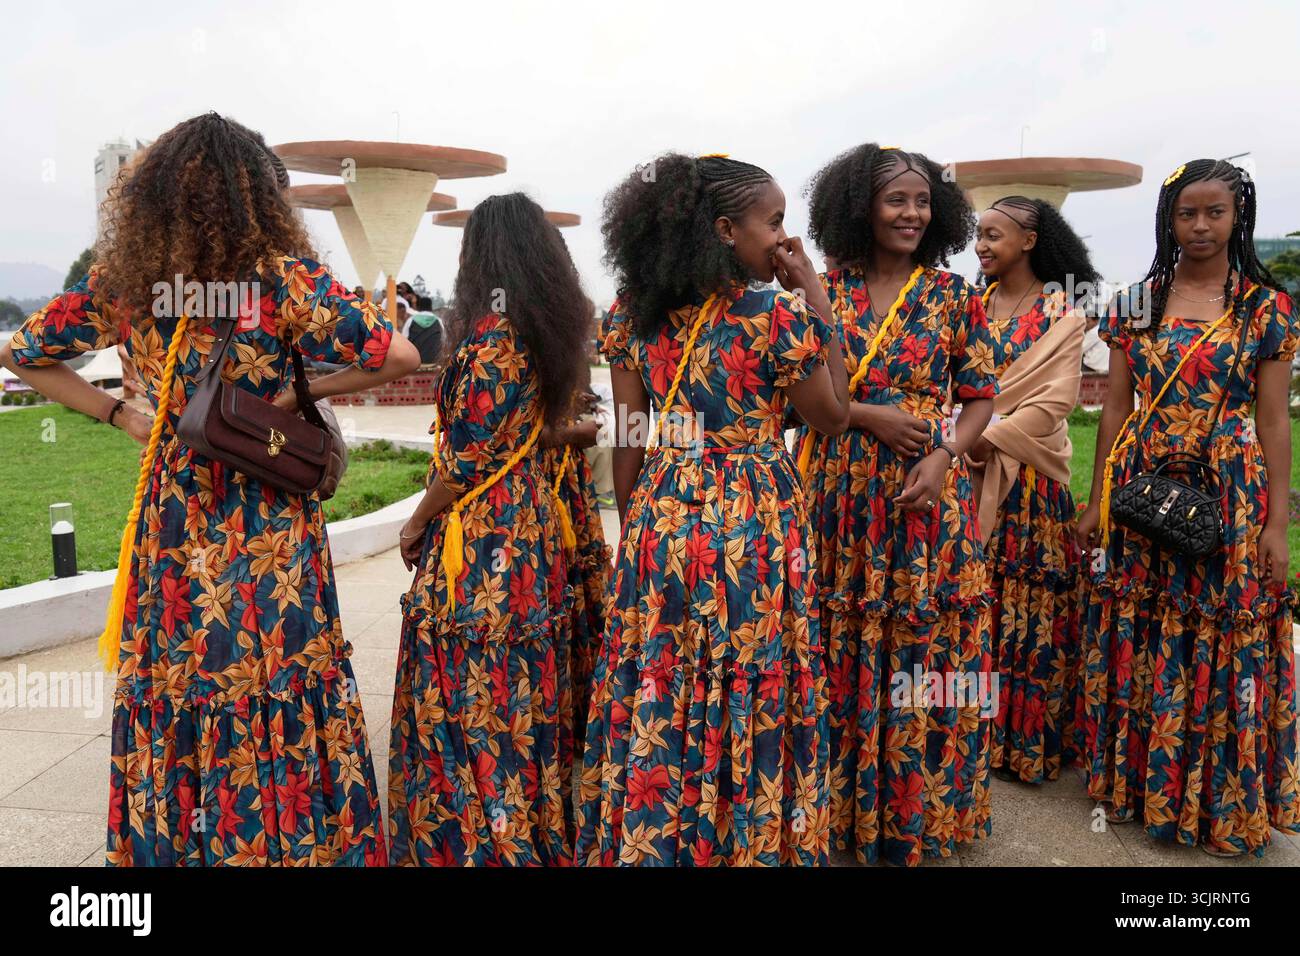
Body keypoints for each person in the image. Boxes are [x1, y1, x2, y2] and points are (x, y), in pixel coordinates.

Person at [0, 112, 421, 866]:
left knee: (181, 682)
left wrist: (121, 413)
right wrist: (292, 398)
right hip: (267, 512)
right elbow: (398, 353)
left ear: (159, 196)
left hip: (172, 517)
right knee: (277, 676)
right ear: (259, 196)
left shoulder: (126, 286)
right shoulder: (282, 281)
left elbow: (22, 354)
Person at [575, 153, 850, 866]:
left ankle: (659, 839)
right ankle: (745, 841)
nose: (784, 240)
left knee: (664, 672)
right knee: (752, 675)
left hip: (664, 513)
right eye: (776, 222)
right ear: (726, 229)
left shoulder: (634, 315)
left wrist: (636, 530)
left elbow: (630, 436)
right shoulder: (778, 314)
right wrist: (813, 289)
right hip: (755, 521)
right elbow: (831, 417)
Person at [1075, 159, 1300, 856]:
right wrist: (1098, 502)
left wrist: (1276, 522)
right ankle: (1145, 788)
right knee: (1145, 624)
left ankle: (1219, 802)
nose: (1199, 227)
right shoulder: (1136, 302)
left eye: (1214, 213)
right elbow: (1114, 407)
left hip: (1230, 487)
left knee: (1223, 632)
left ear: (1239, 218)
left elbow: (1272, 421)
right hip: (1146, 485)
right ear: (1167, 221)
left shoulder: (1266, 309)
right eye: (1185, 214)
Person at [797, 144, 999, 866]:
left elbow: (980, 398)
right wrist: (867, 416)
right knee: (834, 642)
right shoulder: (822, 291)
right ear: (860, 207)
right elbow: (798, 404)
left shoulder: (954, 295)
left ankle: (919, 811)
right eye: (895, 200)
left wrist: (947, 456)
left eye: (921, 201)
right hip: (835, 493)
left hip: (924, 499)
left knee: (925, 649)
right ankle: (840, 812)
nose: (911, 213)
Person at [388, 192, 591, 865]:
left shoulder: (488, 345)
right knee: (520, 682)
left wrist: (416, 522)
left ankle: (480, 838)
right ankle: (527, 825)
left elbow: (462, 464)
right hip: (532, 527)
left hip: (479, 538)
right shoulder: (542, 335)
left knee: (469, 681)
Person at [967, 196, 1094, 784]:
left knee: (1030, 616)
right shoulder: (971, 305)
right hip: (963, 476)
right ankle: (972, 736)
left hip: (1033, 484)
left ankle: (1024, 745)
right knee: (976, 606)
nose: (983, 246)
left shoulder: (1064, 312)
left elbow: (1056, 402)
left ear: (1030, 240)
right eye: (978, 236)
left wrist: (986, 436)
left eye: (995, 235)